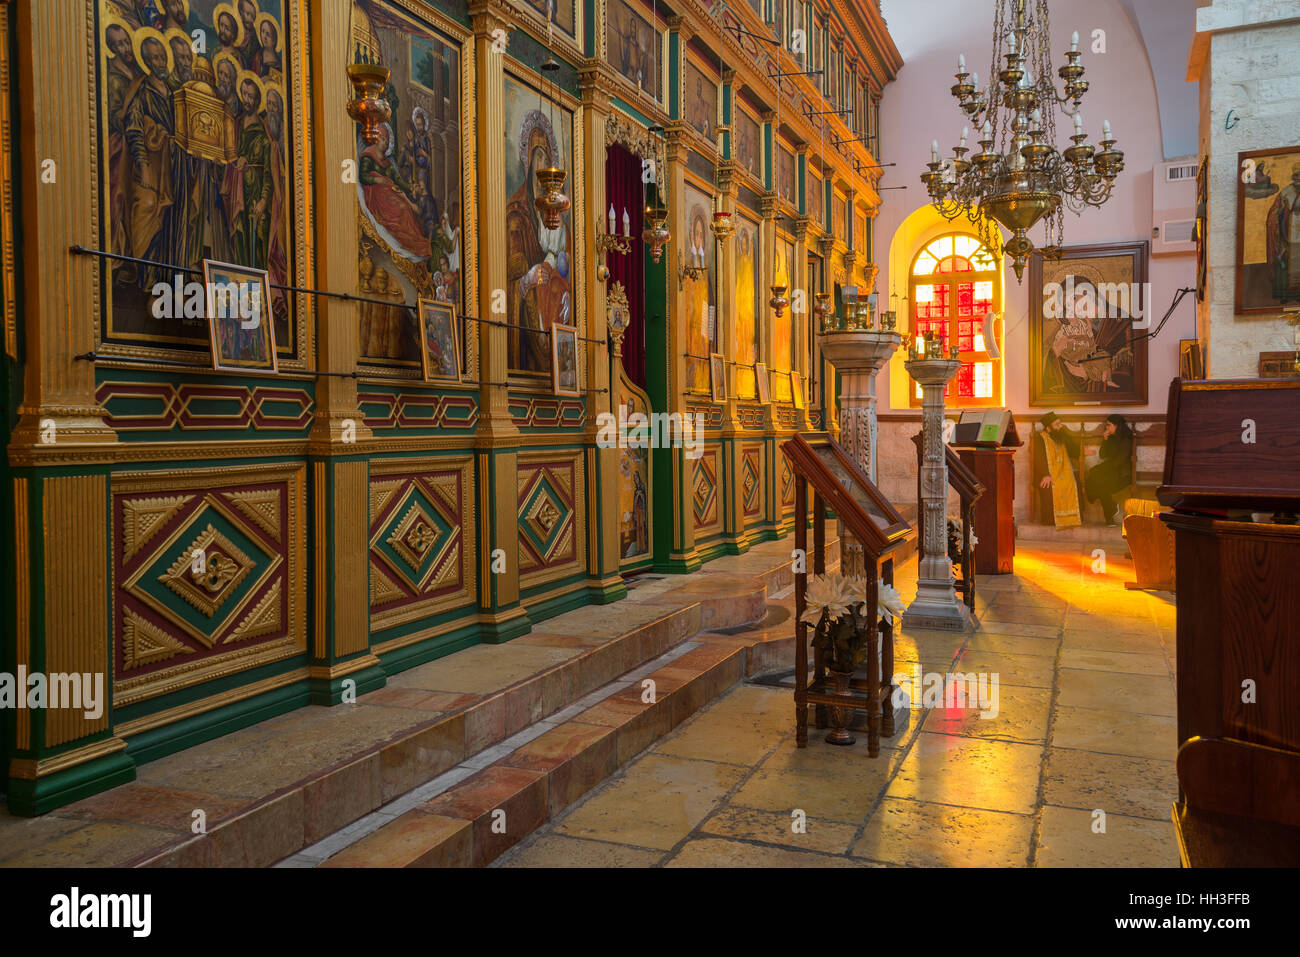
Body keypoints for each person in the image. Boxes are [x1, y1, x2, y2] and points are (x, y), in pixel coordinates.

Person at [1034, 411, 1081, 528]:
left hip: (1064, 473)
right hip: (1045, 474)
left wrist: (1083, 451)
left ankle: (1073, 517)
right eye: (1057, 425)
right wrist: (1045, 474)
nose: (1060, 426)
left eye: (1060, 424)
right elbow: (1038, 458)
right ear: (1048, 428)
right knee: (1048, 485)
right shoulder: (1040, 438)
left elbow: (1074, 451)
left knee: (1075, 483)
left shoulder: (1060, 436)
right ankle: (1051, 519)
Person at [1086, 414, 1134, 525]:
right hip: (1112, 472)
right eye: (1106, 425)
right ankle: (1111, 513)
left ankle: (1110, 512)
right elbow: (1103, 455)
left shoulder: (1126, 439)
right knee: (1100, 482)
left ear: (1117, 426)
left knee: (1097, 480)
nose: (1107, 428)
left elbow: (1119, 462)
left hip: (1123, 475)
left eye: (1109, 425)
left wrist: (1101, 470)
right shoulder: (1111, 438)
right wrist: (1105, 439)